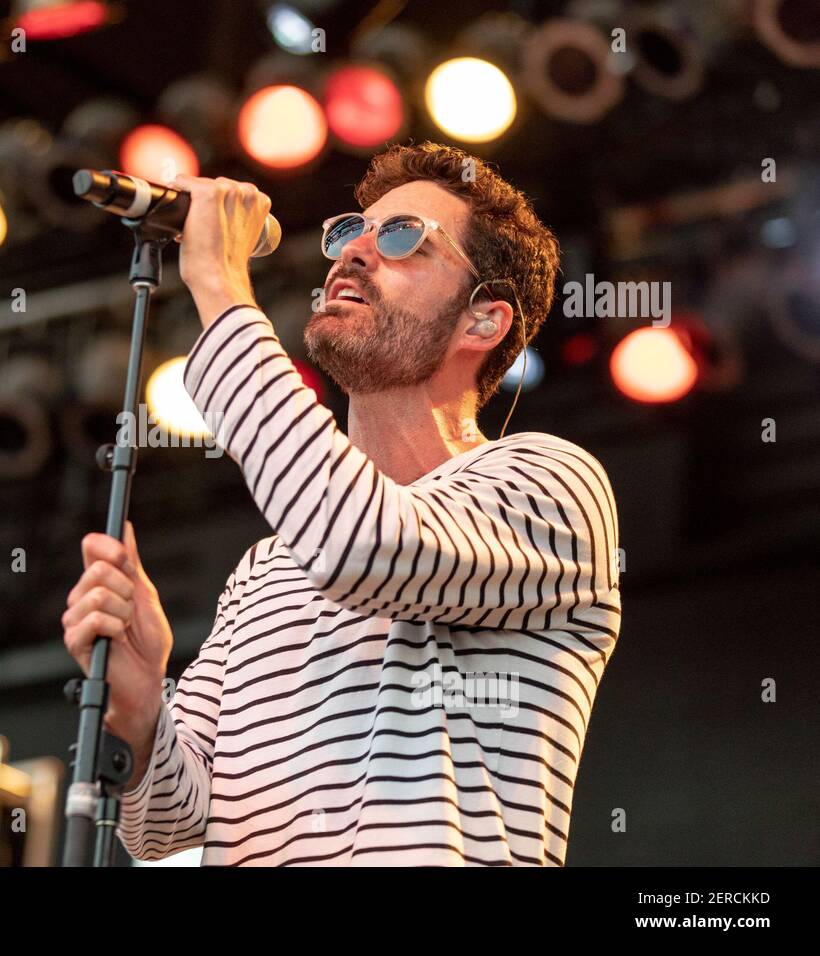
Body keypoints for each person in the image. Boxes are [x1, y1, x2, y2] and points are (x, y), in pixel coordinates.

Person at [61, 142, 620, 866]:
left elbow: (364, 545)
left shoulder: (549, 483)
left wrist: (220, 283)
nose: (354, 251)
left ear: (482, 322)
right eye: (350, 230)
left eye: (401, 236)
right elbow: (166, 825)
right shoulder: (267, 570)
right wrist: (139, 714)